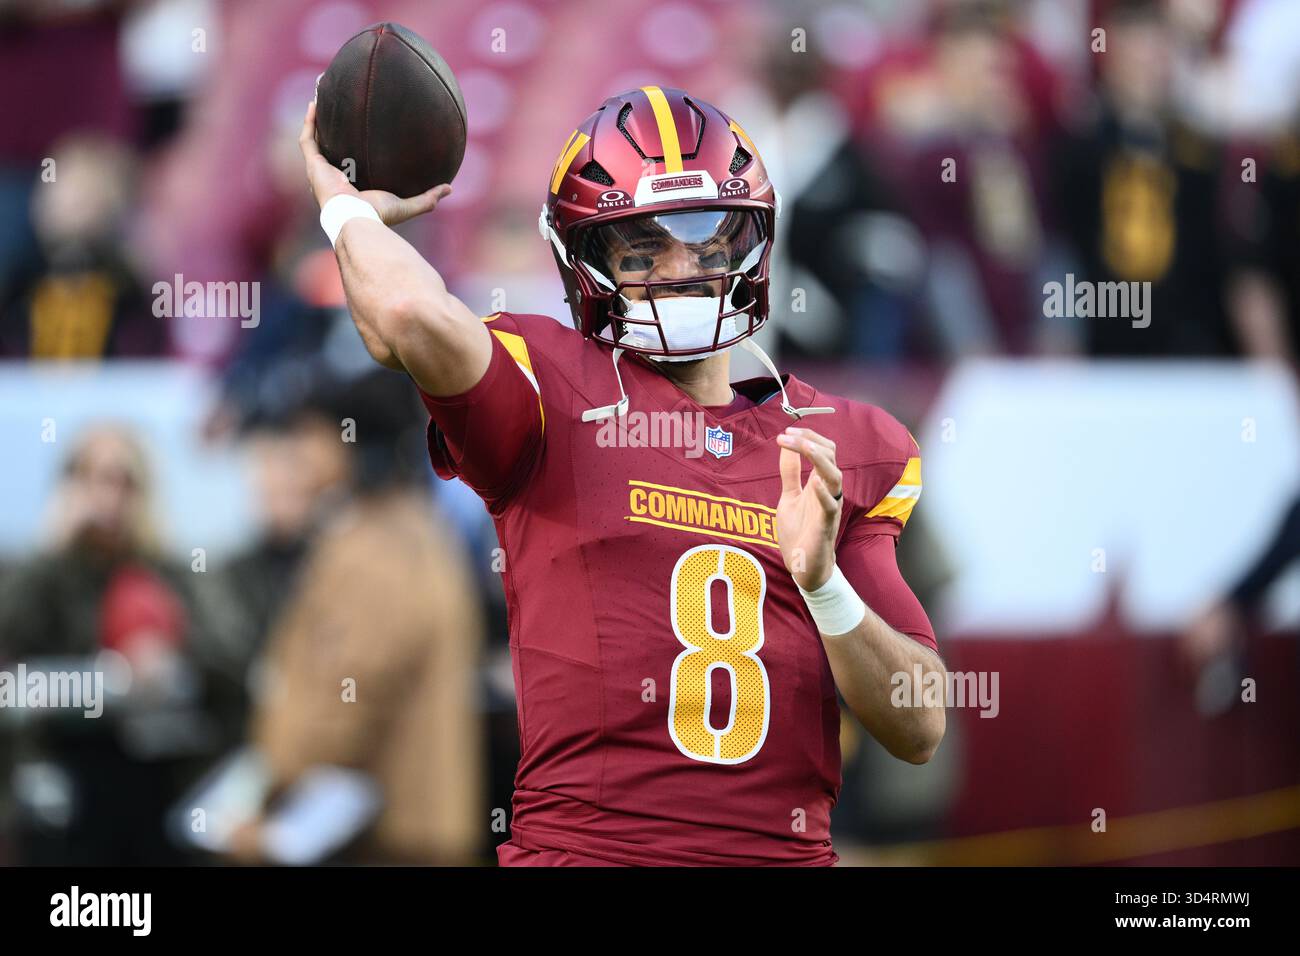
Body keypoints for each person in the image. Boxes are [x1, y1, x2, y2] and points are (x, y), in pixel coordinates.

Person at [300, 85, 946, 867]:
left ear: (752, 246)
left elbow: (921, 726)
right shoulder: (549, 390)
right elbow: (403, 313)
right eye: (643, 250)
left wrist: (825, 586)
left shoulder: (836, 441)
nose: (683, 271)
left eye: (709, 241)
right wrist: (345, 210)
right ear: (587, 262)